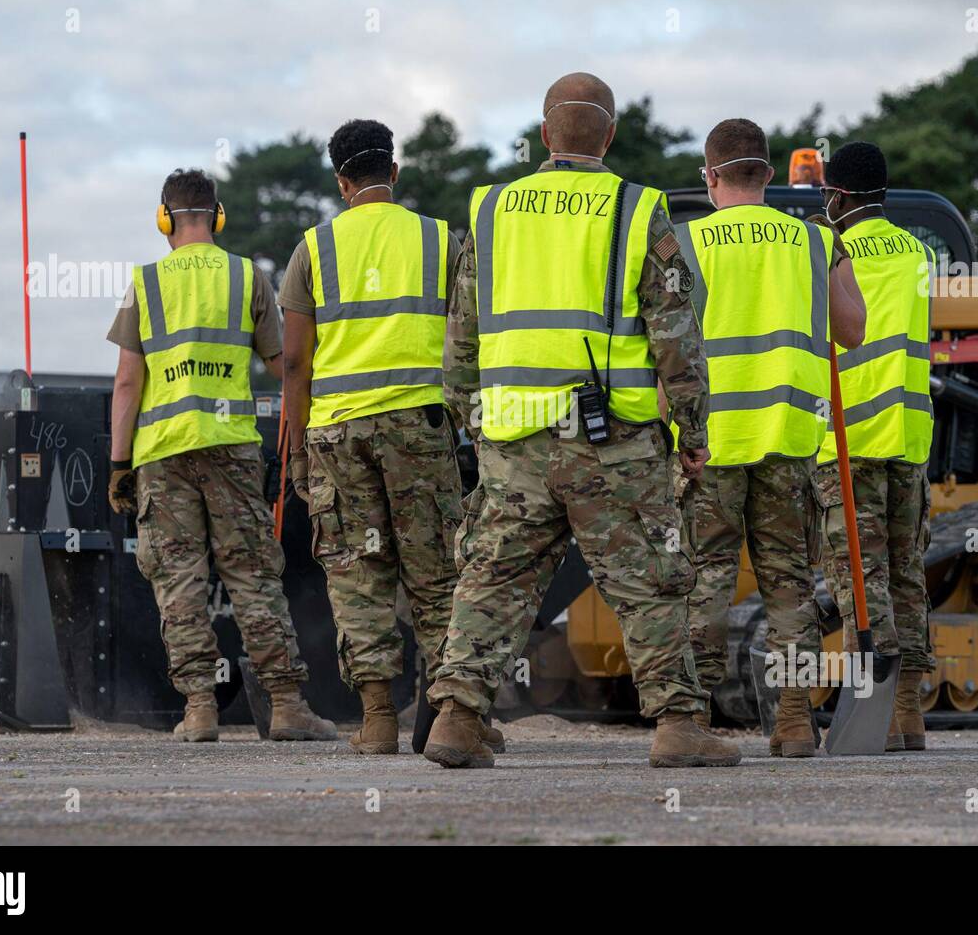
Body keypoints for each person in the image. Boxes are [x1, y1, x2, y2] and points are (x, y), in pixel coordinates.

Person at [424, 72, 738, 769]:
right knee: (650, 582)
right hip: (613, 445)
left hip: (511, 440)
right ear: (611, 135)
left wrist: (469, 426)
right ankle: (679, 725)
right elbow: (676, 336)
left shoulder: (491, 211)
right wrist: (692, 431)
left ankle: (456, 718)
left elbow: (461, 336)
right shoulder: (636, 209)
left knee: (494, 580)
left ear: (544, 134)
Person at [106, 168, 336, 743]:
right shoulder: (247, 277)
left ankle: (199, 710)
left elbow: (127, 384)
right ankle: (285, 706)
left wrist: (118, 464)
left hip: (162, 453)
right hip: (232, 449)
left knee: (179, 580)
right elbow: (284, 366)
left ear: (165, 218)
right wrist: (299, 437)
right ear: (218, 215)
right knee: (253, 575)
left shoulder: (146, 283)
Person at [280, 119, 479, 755]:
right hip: (419, 426)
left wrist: (293, 448)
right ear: (394, 173)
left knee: (357, 576)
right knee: (438, 575)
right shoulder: (442, 241)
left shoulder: (313, 248)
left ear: (342, 182)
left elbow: (294, 364)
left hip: (337, 435)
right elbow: (470, 336)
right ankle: (449, 713)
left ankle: (376, 721)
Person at [676, 119, 866, 758]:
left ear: (711, 178)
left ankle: (694, 723)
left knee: (705, 580)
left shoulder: (684, 242)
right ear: (765, 175)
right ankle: (792, 721)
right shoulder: (814, 241)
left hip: (707, 446)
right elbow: (854, 330)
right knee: (788, 584)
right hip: (788, 438)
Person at [816, 140, 936, 751]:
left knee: (860, 576)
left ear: (837, 196)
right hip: (909, 436)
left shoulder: (830, 250)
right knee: (907, 571)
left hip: (850, 436)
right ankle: (909, 713)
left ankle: (880, 709)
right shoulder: (917, 251)